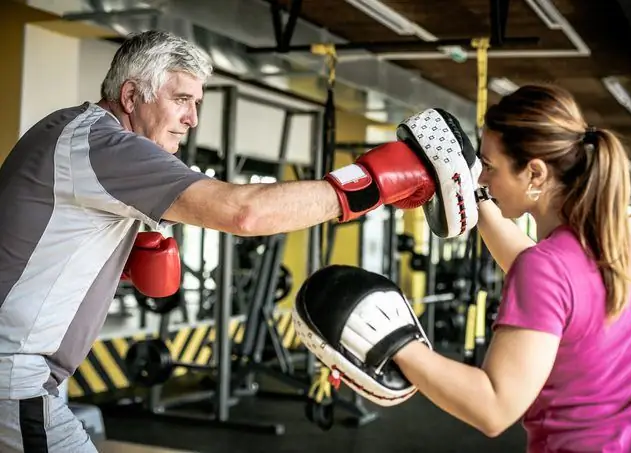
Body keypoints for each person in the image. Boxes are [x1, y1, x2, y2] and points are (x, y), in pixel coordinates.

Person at [0, 30, 472, 452]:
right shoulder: (107, 147)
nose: (192, 118)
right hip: (14, 377)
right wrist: (376, 180)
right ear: (130, 95)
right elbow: (244, 212)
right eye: (181, 99)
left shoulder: (73, 131)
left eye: (197, 103)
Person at [296, 84, 631, 452]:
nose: (484, 178)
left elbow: (494, 407)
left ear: (535, 174)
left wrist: (396, 343)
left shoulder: (546, 268)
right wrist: (466, 190)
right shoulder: (611, 244)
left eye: (489, 167)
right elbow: (541, 274)